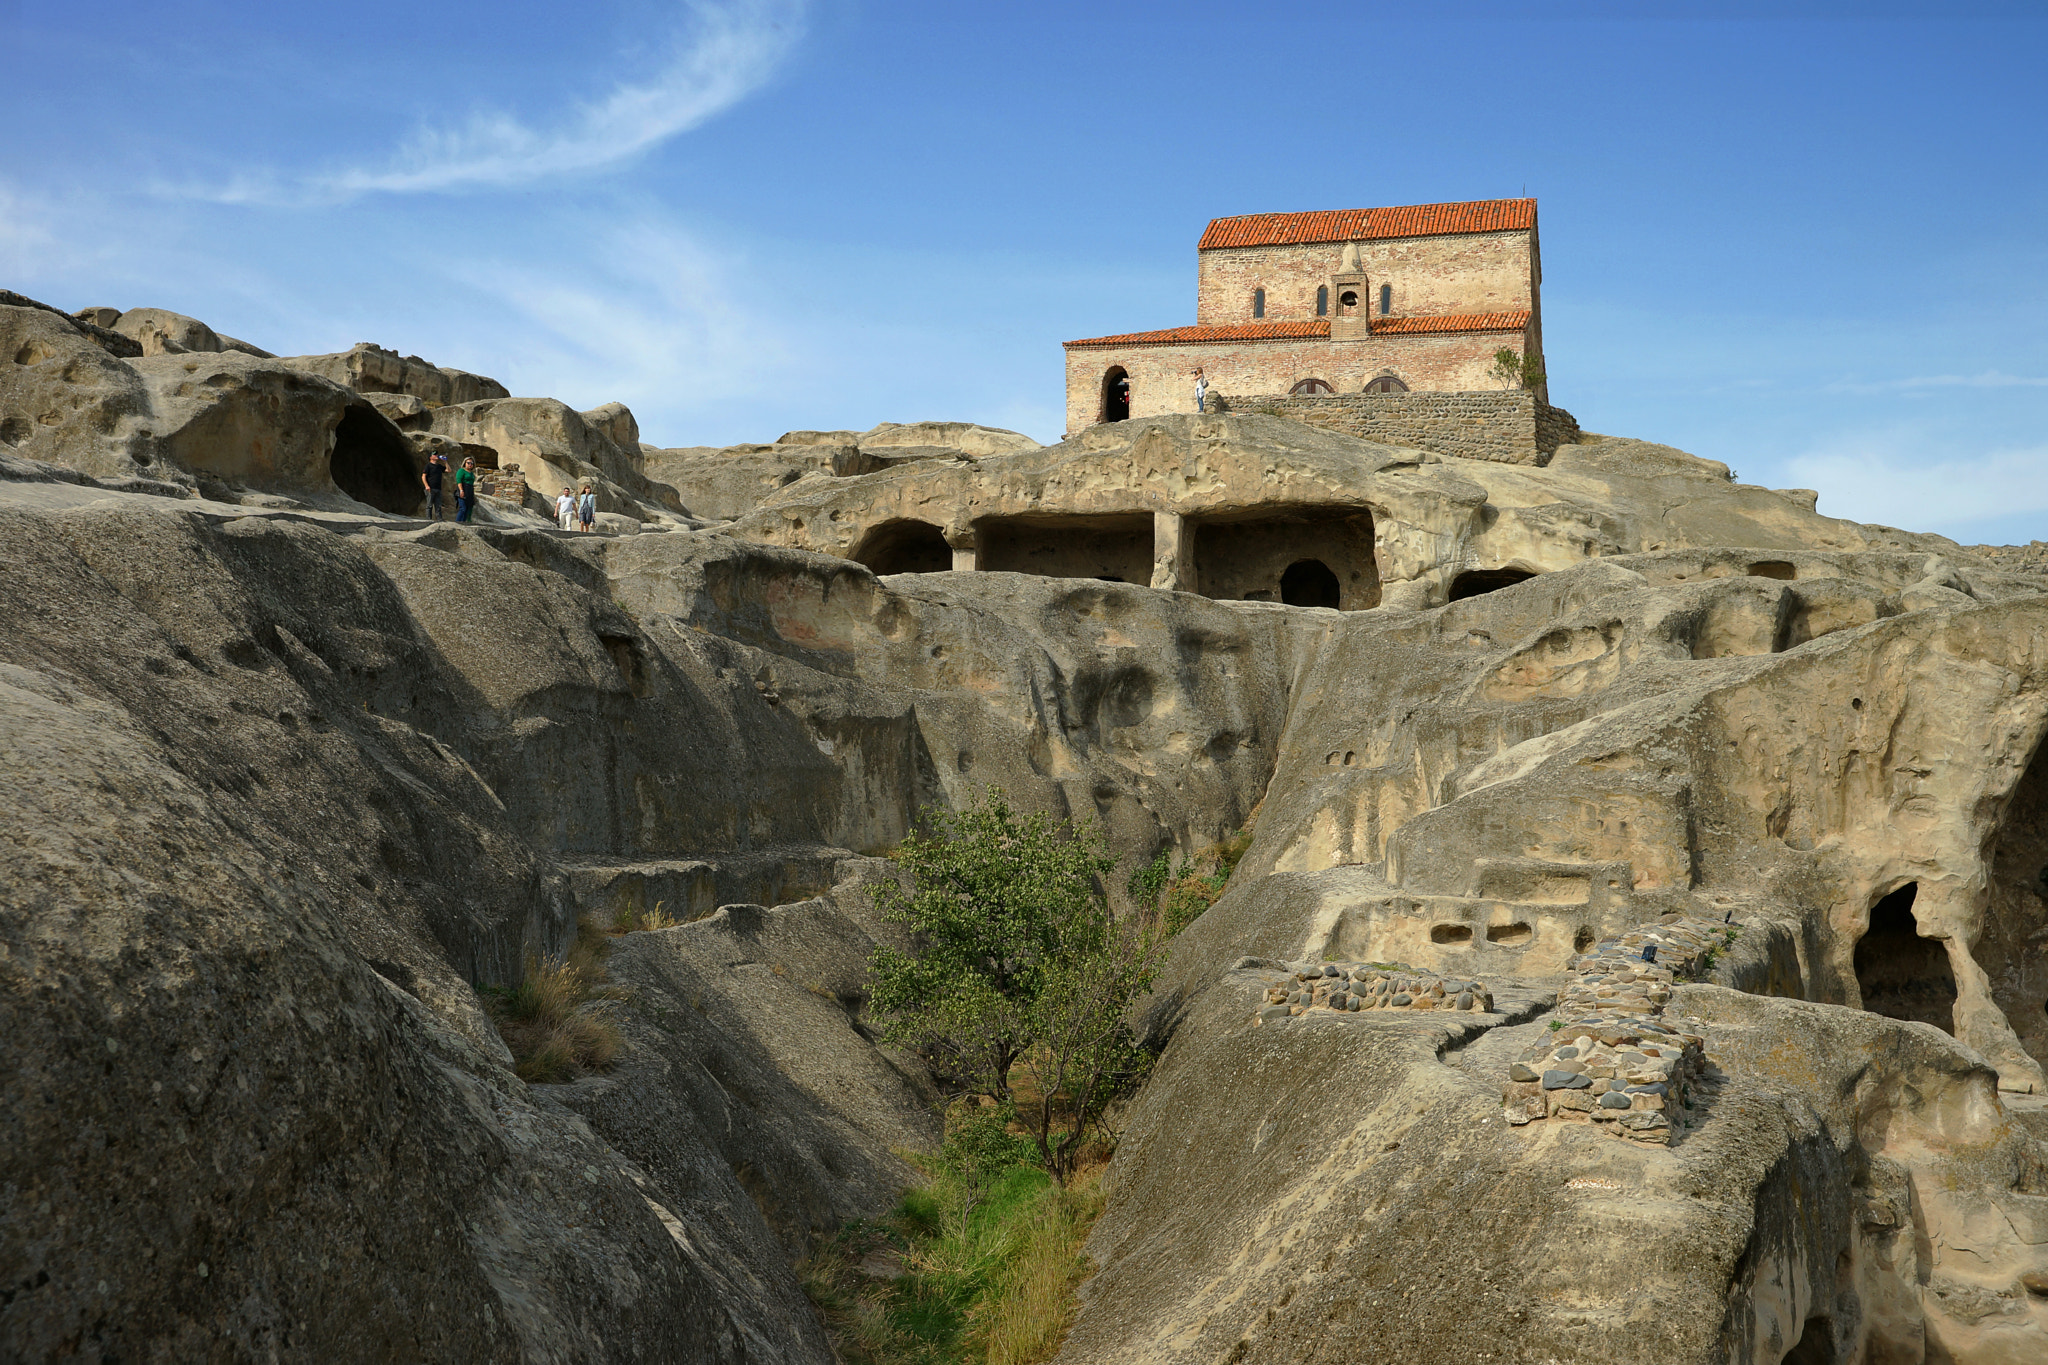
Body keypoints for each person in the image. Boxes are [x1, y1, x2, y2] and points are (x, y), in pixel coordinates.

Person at [421, 450, 447, 520]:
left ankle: (439, 519)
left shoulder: (439, 466)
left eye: (436, 454)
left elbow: (448, 470)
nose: (436, 456)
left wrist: (445, 462)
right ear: (430, 457)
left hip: (438, 488)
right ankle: (428, 519)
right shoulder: (428, 466)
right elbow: (423, 476)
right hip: (430, 488)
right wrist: (426, 486)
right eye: (434, 455)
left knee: (438, 505)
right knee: (429, 505)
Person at [453, 456, 477, 523]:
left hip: (470, 490)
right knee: (462, 508)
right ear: (465, 463)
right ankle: (457, 522)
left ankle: (464, 522)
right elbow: (459, 481)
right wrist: (461, 490)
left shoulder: (471, 473)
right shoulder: (461, 471)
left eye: (471, 463)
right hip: (463, 489)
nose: (470, 464)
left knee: (468, 508)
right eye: (468, 463)